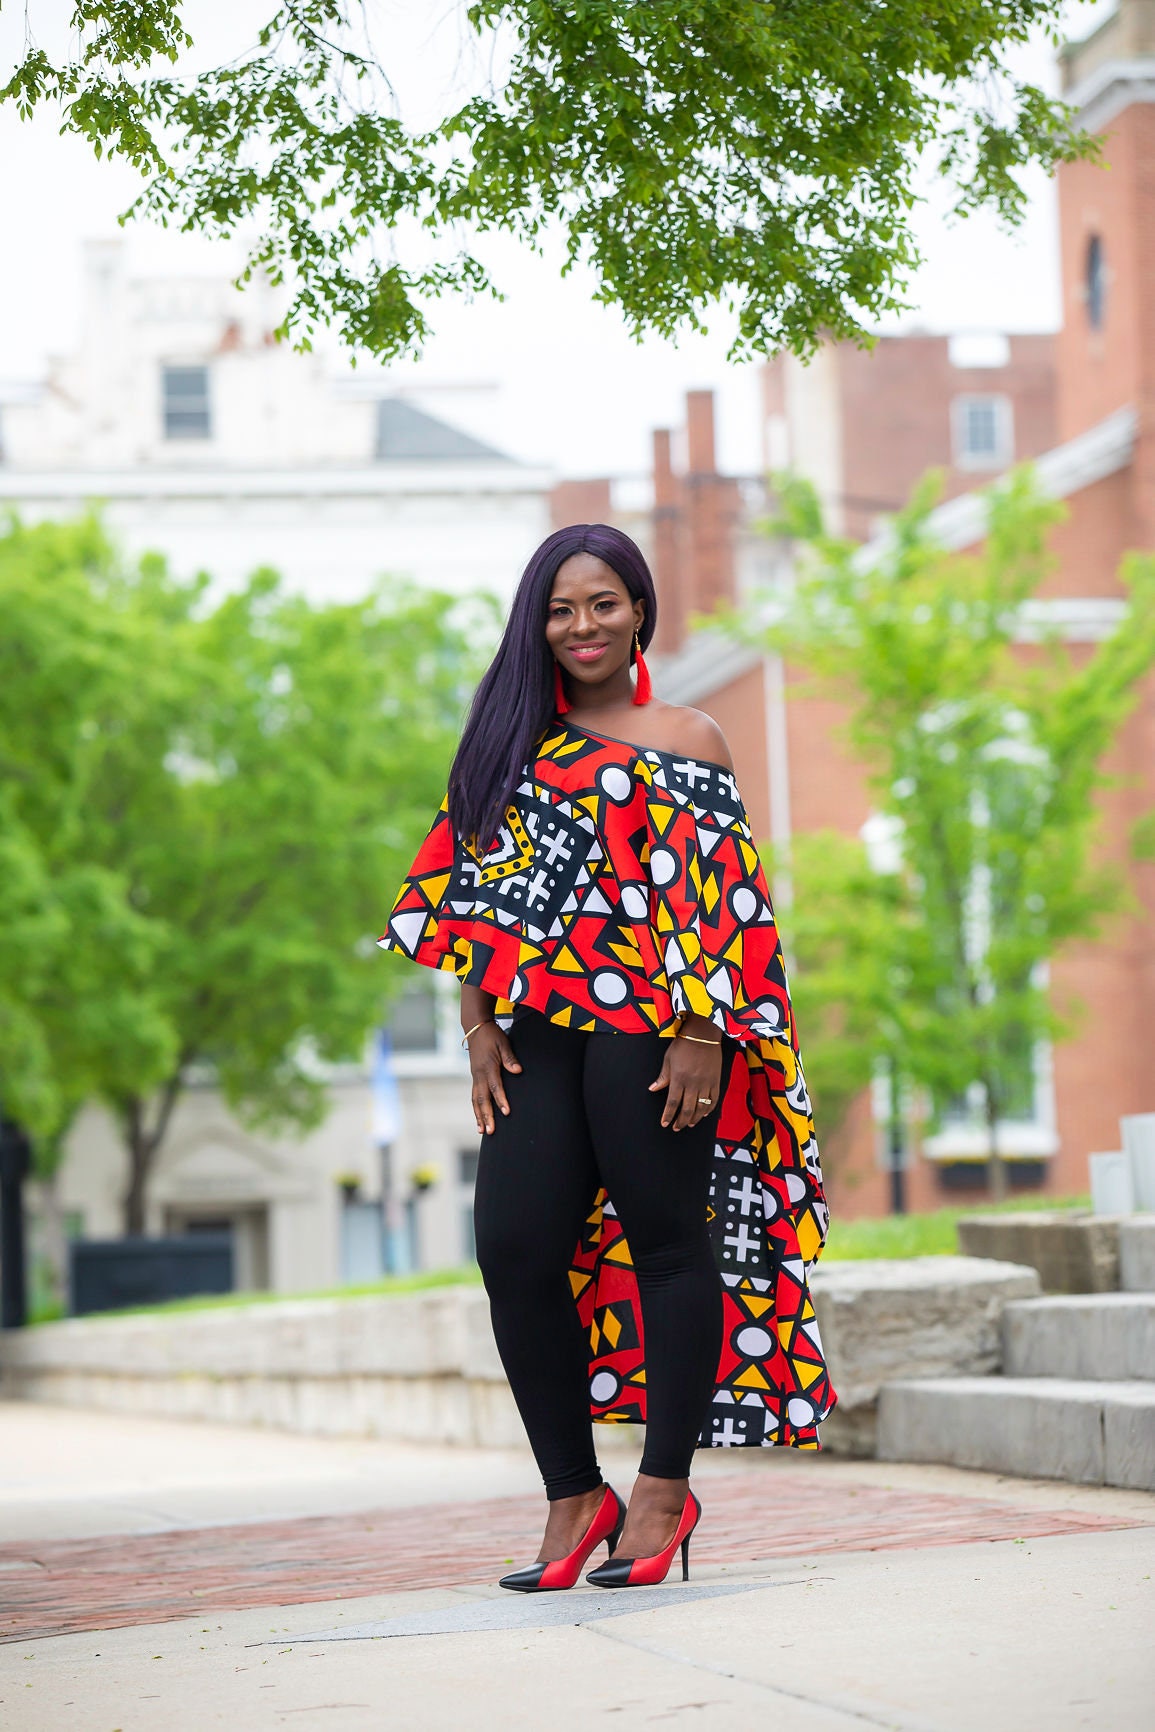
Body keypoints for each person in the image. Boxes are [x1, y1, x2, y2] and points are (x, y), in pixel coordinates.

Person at [379, 524, 834, 1591]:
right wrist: (477, 1023)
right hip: (534, 1026)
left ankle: (666, 1490)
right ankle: (576, 1492)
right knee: (515, 1247)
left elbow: (728, 905)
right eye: (561, 608)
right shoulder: (508, 742)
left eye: (604, 603)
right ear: (536, 622)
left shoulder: (690, 736)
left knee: (669, 1240)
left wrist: (705, 1033)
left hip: (658, 1021)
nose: (583, 625)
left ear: (639, 610)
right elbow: (474, 900)